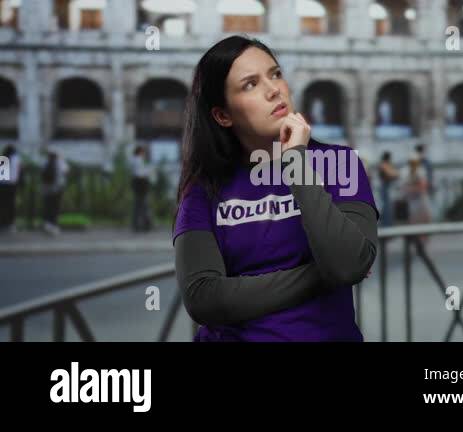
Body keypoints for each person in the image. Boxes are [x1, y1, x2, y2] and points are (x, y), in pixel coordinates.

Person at [172, 35, 379, 342]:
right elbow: (204, 298)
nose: (274, 90)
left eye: (275, 74)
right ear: (223, 115)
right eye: (250, 84)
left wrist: (295, 161)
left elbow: (347, 264)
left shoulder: (340, 164)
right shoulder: (204, 190)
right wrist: (323, 276)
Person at [403, 154, 432, 244]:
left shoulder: (421, 171)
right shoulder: (405, 171)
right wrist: (414, 188)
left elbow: (423, 186)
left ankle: (424, 237)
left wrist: (413, 188)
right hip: (413, 200)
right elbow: (405, 187)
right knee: (414, 219)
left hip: (421, 199)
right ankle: (416, 239)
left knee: (425, 217)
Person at [41, 148, 69, 236]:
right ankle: (54, 225)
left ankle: (47, 224)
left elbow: (42, 174)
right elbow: (67, 171)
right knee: (56, 207)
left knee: (47, 206)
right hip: (58, 188)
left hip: (47, 188)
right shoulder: (61, 162)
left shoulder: (45, 162)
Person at [130, 145, 154, 232]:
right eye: (143, 152)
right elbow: (140, 173)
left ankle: (137, 225)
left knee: (138, 204)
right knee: (143, 204)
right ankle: (146, 225)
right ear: (140, 152)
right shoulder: (138, 160)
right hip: (141, 183)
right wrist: (149, 171)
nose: (144, 154)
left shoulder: (133, 159)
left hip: (137, 183)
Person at [0, 144, 21, 233]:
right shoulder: (16, 159)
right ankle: (11, 223)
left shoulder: (4, 158)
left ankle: (3, 222)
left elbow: (2, 175)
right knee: (11, 204)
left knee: (3, 204)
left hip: (4, 184)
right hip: (13, 184)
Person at [378, 151, 399, 227]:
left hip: (388, 188)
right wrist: (394, 173)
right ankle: (386, 225)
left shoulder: (387, 165)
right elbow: (392, 175)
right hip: (384, 188)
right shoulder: (383, 165)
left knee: (389, 208)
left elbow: (395, 174)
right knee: (386, 208)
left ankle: (388, 224)